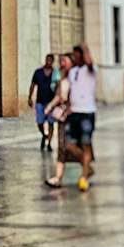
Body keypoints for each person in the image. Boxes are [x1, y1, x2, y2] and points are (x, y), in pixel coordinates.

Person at [65, 43, 96, 191]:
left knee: (85, 143)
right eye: (75, 56)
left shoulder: (90, 70)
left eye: (79, 56)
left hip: (87, 112)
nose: (76, 58)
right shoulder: (72, 72)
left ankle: (83, 177)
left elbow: (90, 62)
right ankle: (87, 166)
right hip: (74, 112)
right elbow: (72, 90)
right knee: (70, 146)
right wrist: (69, 106)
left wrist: (86, 49)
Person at [43, 53, 74, 188]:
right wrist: (49, 106)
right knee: (61, 146)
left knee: (74, 146)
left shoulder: (77, 78)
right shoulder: (62, 79)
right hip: (63, 117)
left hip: (74, 116)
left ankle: (85, 170)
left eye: (64, 61)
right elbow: (59, 96)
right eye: (61, 61)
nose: (61, 64)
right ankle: (58, 177)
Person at [28, 53, 57, 151]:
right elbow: (32, 85)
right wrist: (30, 97)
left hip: (51, 102)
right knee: (40, 122)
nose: (48, 61)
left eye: (50, 60)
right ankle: (44, 135)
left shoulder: (55, 73)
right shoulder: (38, 72)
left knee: (51, 123)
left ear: (52, 61)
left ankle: (49, 143)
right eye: (47, 59)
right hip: (40, 102)